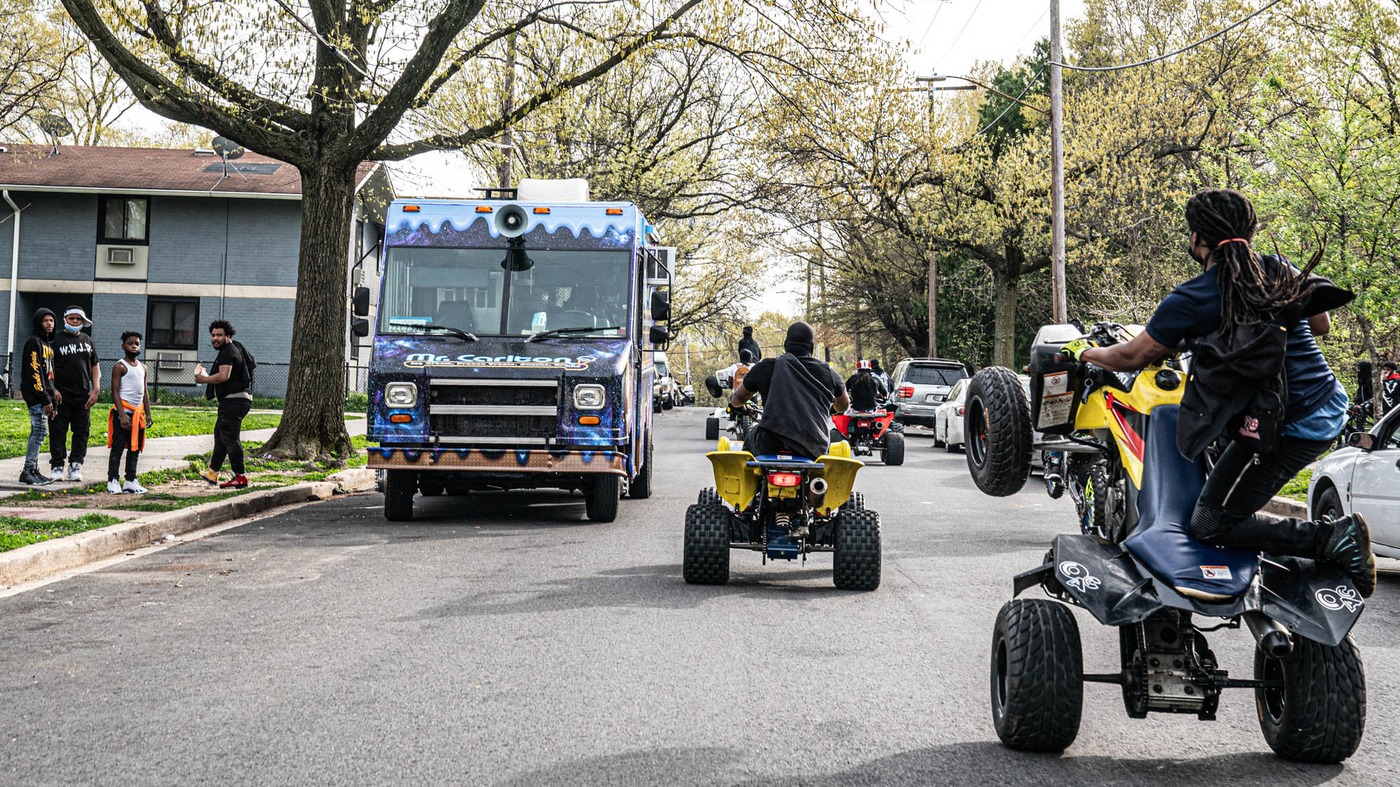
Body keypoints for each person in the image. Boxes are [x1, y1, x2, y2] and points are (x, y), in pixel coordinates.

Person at [1061, 188, 1375, 596]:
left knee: (1210, 523)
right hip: (1326, 401)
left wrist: (1083, 352)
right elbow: (1321, 325)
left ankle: (1333, 539)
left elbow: (1132, 356)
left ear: (1197, 238)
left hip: (1291, 424)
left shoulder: (1193, 297)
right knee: (1227, 479)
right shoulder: (1278, 268)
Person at [730, 321, 848, 458]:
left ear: (785, 345)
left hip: (770, 445)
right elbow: (843, 406)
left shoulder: (766, 367)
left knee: (751, 437)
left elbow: (738, 398)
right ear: (811, 347)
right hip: (813, 448)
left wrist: (735, 406)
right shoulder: (829, 373)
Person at [193, 320, 251, 489]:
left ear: (228, 336)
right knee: (221, 436)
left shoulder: (228, 352)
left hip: (233, 401)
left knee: (230, 438)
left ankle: (240, 476)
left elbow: (223, 376)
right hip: (236, 399)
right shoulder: (236, 348)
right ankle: (213, 473)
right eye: (213, 335)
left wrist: (203, 379)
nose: (215, 338)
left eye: (219, 335)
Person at [49, 306, 99, 482]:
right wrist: (52, 389)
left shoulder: (88, 340)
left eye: (78, 319)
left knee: (82, 430)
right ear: (65, 320)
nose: (75, 322)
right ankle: (57, 466)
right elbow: (47, 367)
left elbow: (94, 365)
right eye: (72, 319)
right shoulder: (54, 340)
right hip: (60, 396)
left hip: (83, 395)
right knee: (58, 431)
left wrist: (96, 389)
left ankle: (76, 465)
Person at [107, 332, 153, 494]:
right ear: (123, 347)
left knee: (135, 449)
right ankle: (113, 480)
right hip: (124, 413)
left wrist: (148, 414)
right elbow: (114, 391)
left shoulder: (143, 368)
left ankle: (130, 480)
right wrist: (122, 415)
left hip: (138, 415)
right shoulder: (120, 366)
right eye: (130, 343)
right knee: (118, 448)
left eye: (137, 344)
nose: (134, 346)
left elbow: (145, 392)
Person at [18, 308, 57, 485]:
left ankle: (33, 470)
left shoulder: (48, 344)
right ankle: (27, 471)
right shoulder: (33, 342)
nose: (49, 323)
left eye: (52, 320)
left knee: (39, 431)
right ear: (38, 323)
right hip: (36, 396)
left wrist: (53, 400)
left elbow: (49, 375)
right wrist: (45, 399)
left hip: (45, 395)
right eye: (45, 320)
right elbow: (35, 373)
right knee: (40, 431)